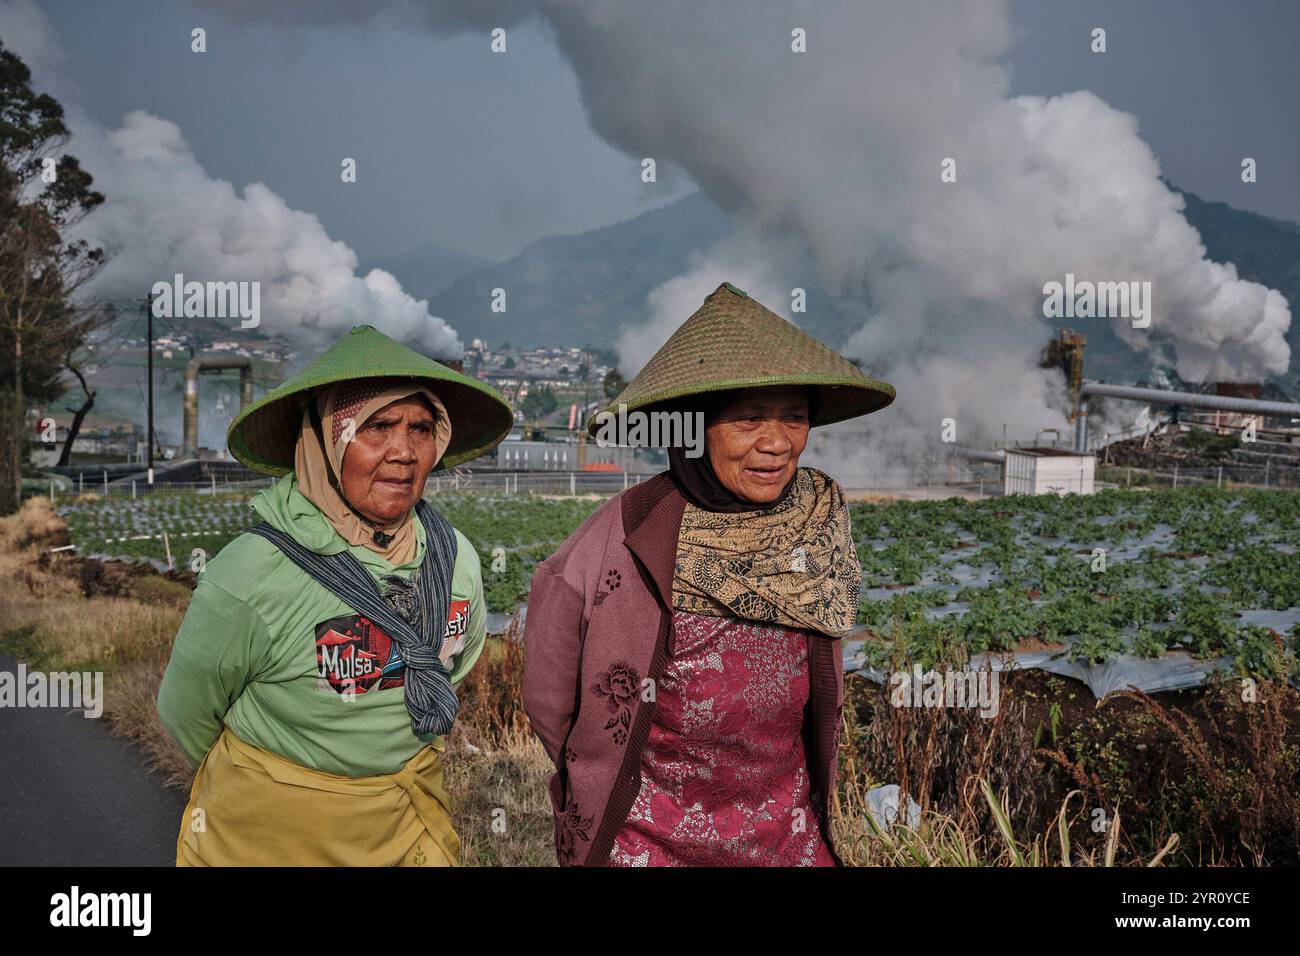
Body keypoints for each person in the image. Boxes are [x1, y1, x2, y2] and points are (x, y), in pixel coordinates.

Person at [522, 281, 895, 866]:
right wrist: (600, 770)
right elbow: (549, 701)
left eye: (794, 418)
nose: (776, 443)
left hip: (785, 836)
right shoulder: (618, 539)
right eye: (748, 419)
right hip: (646, 842)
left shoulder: (815, 521)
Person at [157, 324, 512, 866]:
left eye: (420, 428)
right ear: (326, 440)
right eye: (378, 427)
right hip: (271, 840)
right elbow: (187, 711)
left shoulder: (454, 558)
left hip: (405, 826)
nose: (404, 452)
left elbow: (450, 669)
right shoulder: (253, 572)